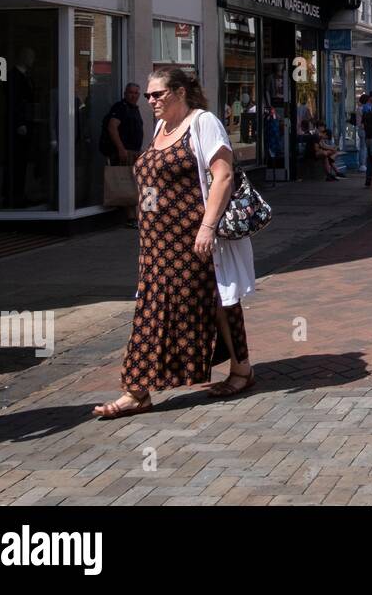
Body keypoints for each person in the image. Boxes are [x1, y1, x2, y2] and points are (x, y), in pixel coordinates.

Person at [93, 68, 255, 419]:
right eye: (148, 95)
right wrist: (145, 218)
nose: (150, 101)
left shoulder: (203, 122)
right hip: (156, 241)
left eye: (157, 94)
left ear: (180, 92)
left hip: (191, 237)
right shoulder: (160, 128)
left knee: (164, 309)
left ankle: (136, 389)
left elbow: (223, 175)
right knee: (213, 301)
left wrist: (207, 227)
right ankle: (240, 369)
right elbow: (151, 181)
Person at [99, 83, 144, 226]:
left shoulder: (134, 109)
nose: (134, 95)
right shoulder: (120, 107)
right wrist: (121, 149)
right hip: (125, 152)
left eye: (136, 93)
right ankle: (131, 219)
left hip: (135, 152)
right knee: (127, 183)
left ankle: (144, 215)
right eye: (131, 92)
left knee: (139, 183)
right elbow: (112, 127)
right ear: (125, 93)